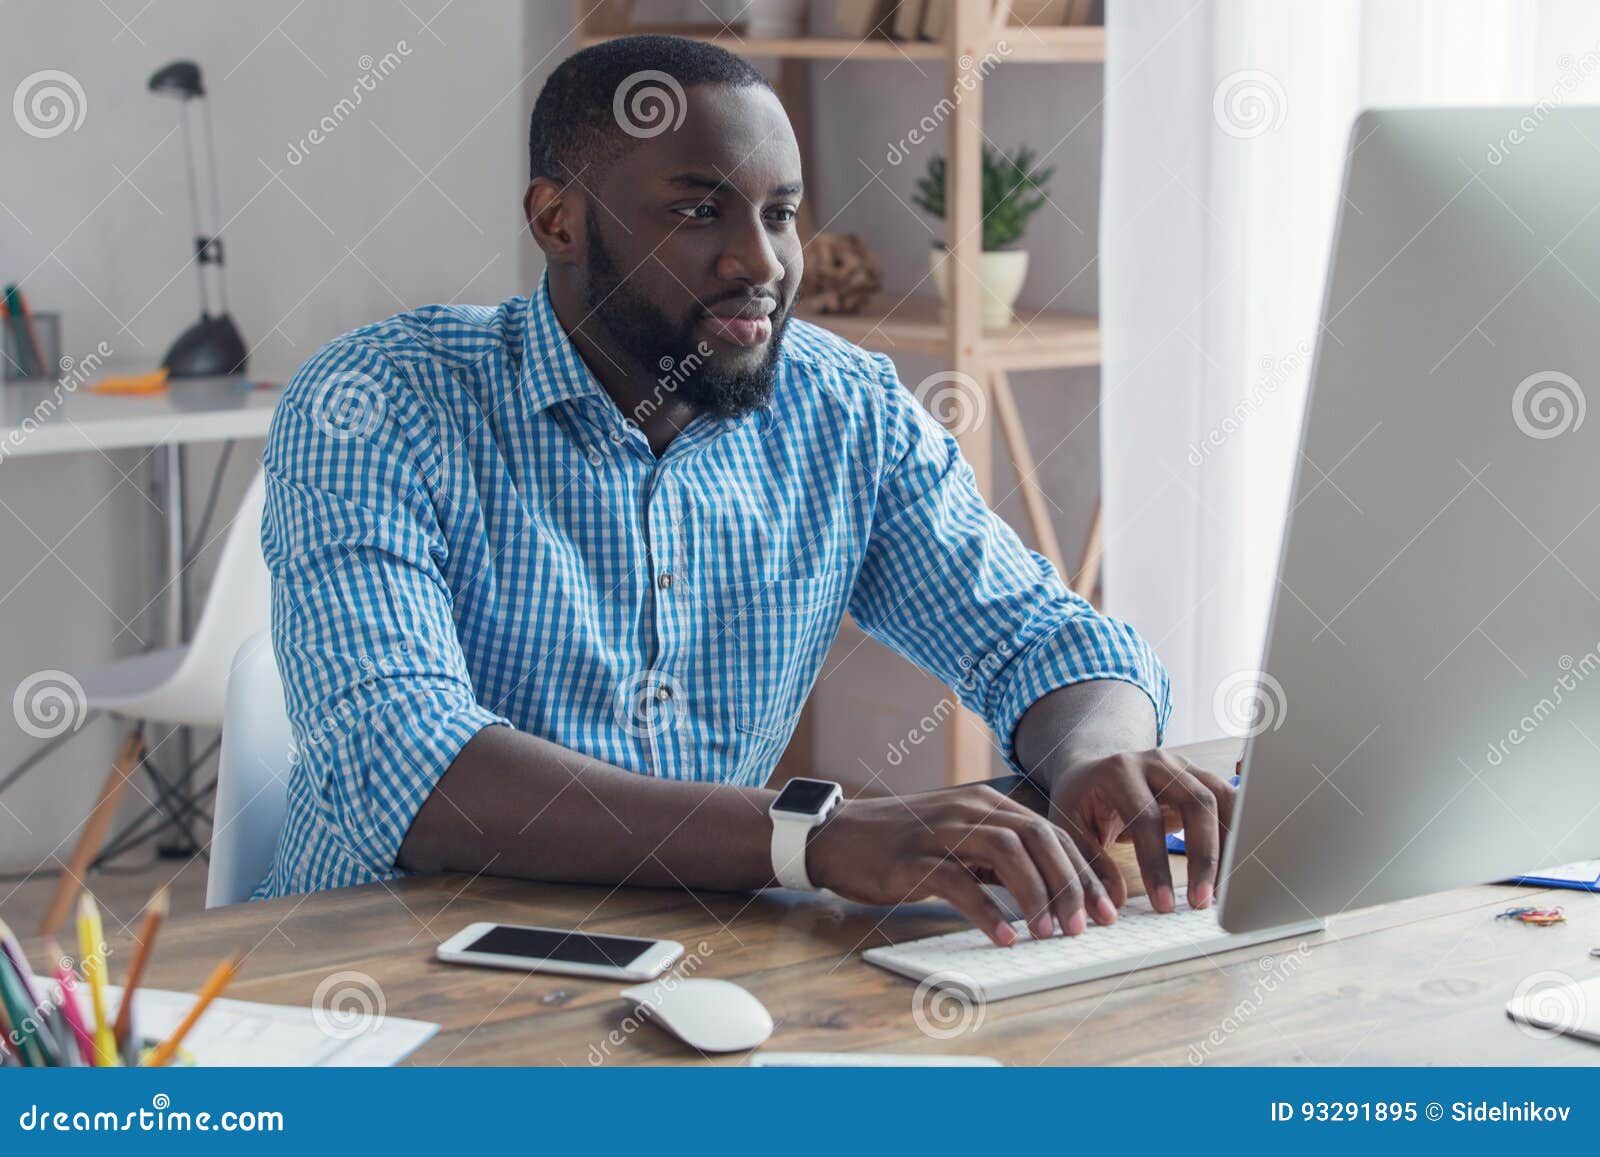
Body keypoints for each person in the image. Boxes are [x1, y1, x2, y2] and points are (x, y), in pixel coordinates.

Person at [254, 35, 1232, 946]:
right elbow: (400, 764)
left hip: (684, 955)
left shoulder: (841, 407)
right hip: (375, 967)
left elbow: (1045, 639)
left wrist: (1099, 751)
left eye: (779, 214)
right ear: (557, 220)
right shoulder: (377, 399)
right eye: (698, 210)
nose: (761, 263)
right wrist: (812, 836)